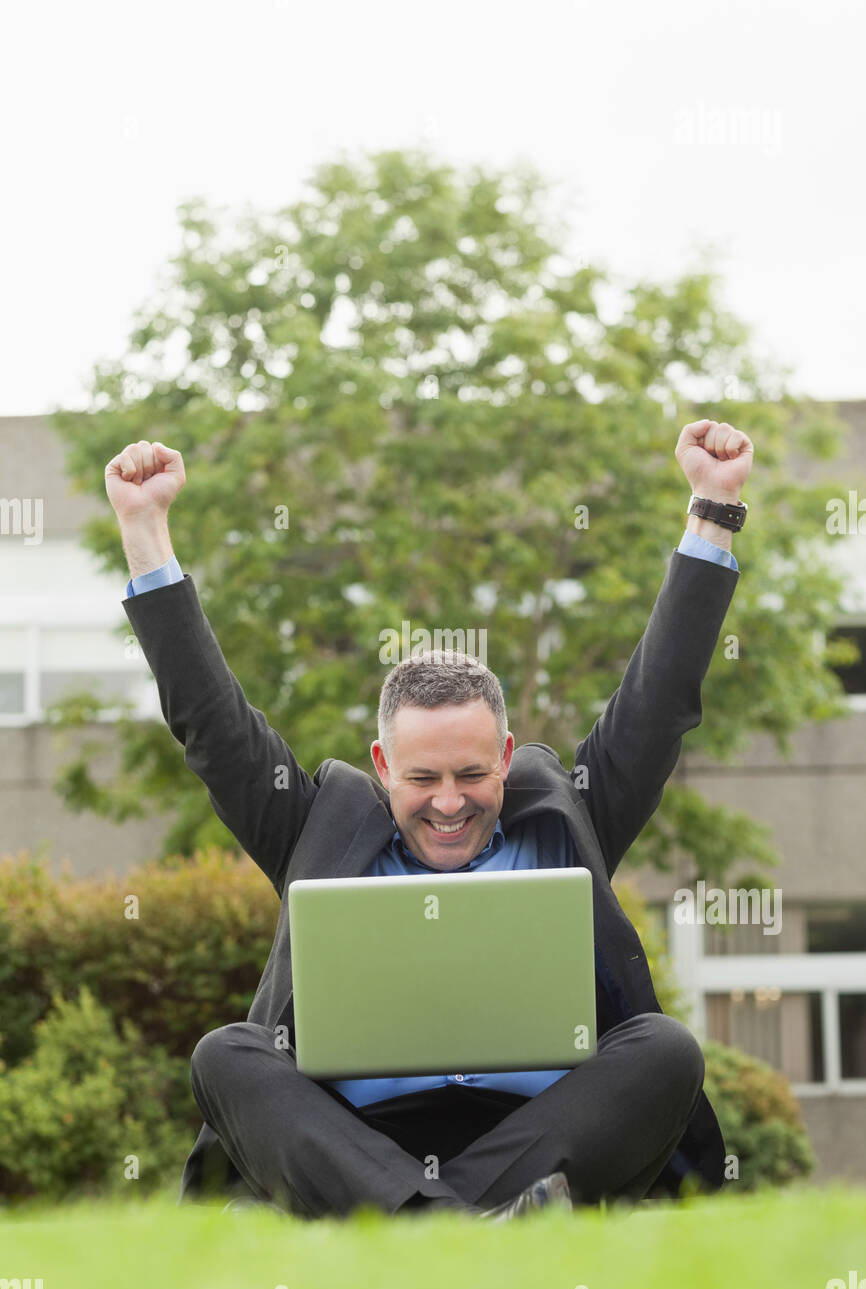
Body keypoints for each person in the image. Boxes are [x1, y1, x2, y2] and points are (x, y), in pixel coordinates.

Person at [105, 419, 751, 1221]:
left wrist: (713, 509)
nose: (450, 801)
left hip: (539, 1138)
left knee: (665, 1049)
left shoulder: (568, 817)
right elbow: (210, 722)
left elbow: (658, 707)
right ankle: (461, 1224)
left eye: (473, 774)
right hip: (352, 1139)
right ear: (383, 770)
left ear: (507, 757)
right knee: (226, 1055)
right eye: (424, 778)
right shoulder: (314, 828)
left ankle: (415, 1222)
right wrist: (144, 528)